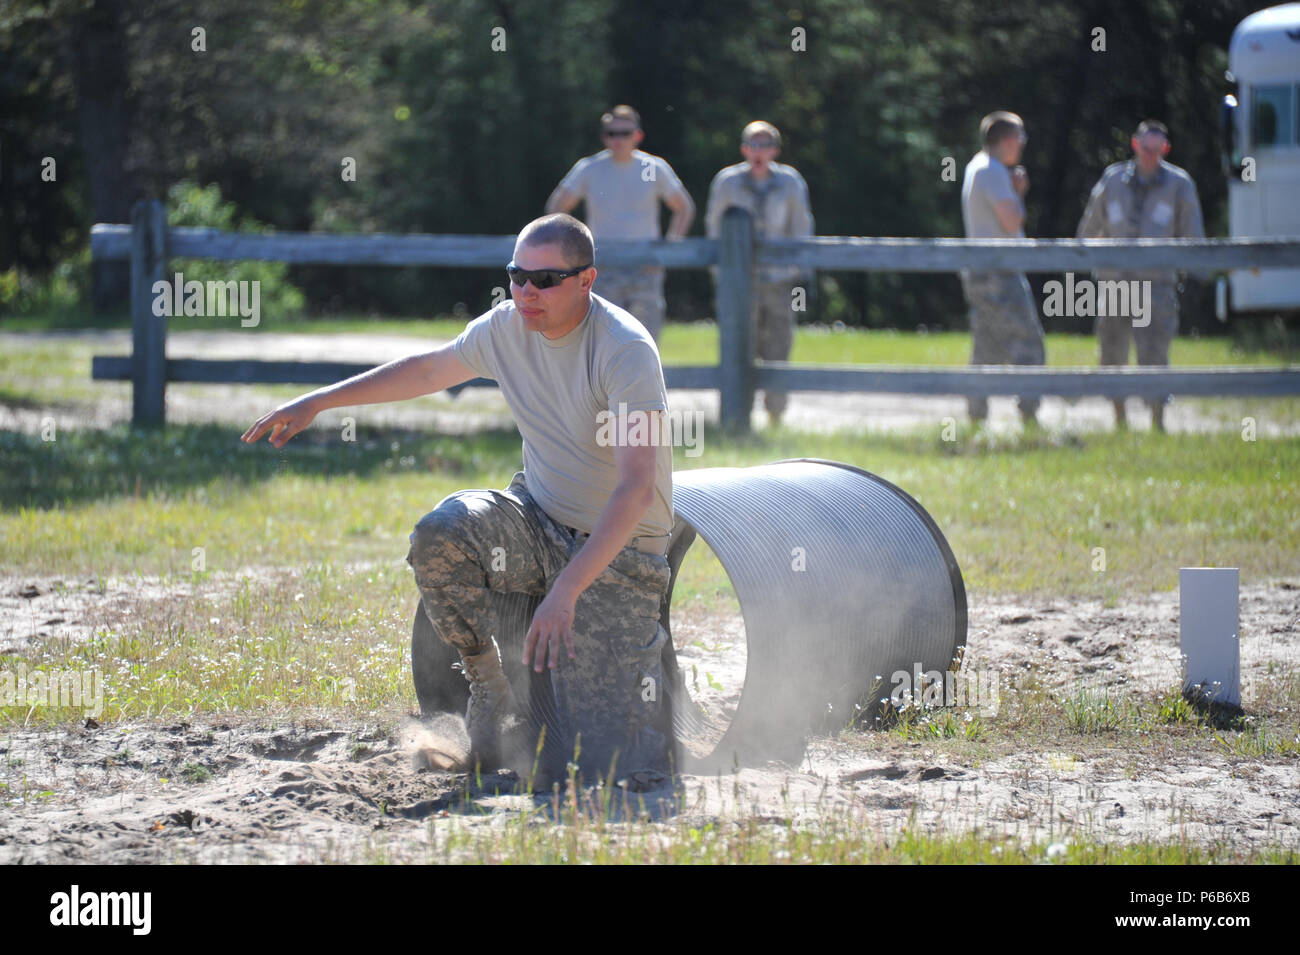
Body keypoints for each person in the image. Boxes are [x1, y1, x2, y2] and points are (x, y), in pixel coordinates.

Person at [241, 214, 675, 785]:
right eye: (517, 276)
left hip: (619, 552)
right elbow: (428, 370)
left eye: (545, 280)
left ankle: (641, 681)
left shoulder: (625, 352)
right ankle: (489, 684)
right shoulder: (506, 328)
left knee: (610, 762)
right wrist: (321, 401)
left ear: (586, 279)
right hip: (538, 521)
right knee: (440, 534)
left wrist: (567, 588)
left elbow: (637, 488)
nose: (526, 292)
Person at [1077, 120, 1205, 431]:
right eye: (1145, 148)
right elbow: (1088, 230)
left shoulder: (1179, 184)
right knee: (1113, 351)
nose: (1150, 155)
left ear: (1166, 149)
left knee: (1155, 353)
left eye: (1157, 150)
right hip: (1116, 283)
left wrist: (1196, 273)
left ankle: (1157, 423)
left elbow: (1193, 237)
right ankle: (1119, 420)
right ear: (1135, 145)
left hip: (1157, 285)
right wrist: (1089, 259)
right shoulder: (1113, 179)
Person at [546, 104, 695, 343]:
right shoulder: (590, 168)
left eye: (625, 133)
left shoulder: (650, 167)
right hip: (602, 266)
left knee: (645, 339)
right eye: (612, 133)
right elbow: (557, 208)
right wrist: (577, 254)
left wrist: (666, 253)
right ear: (604, 137)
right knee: (602, 339)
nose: (618, 139)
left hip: (646, 266)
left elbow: (684, 208)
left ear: (637, 135)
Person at [705, 120, 814, 426]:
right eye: (753, 145)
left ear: (775, 150)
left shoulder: (790, 182)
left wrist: (802, 273)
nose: (759, 151)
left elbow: (801, 228)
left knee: (779, 344)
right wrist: (720, 275)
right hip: (740, 283)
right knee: (740, 343)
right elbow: (714, 227)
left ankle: (776, 414)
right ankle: (739, 416)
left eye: (765, 145)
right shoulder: (727, 182)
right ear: (743, 149)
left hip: (780, 280)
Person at [960, 110, 1046, 427]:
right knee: (1029, 342)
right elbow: (1011, 221)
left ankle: (976, 418)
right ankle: (1030, 417)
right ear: (1007, 140)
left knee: (986, 345)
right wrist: (1019, 195)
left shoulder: (976, 166)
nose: (1023, 143)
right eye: (1020, 137)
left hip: (980, 272)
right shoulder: (993, 171)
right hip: (1000, 272)